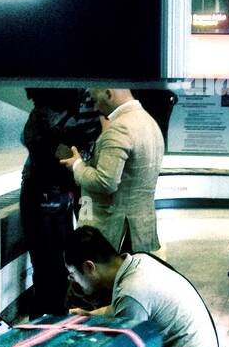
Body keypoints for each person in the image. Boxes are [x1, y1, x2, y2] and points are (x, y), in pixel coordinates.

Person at [64, 226, 226, 347]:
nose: (73, 281)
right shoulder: (140, 261)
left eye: (72, 274)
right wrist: (89, 315)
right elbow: (120, 308)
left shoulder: (131, 292)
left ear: (89, 267)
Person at [19, 88, 101, 315]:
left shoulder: (47, 115)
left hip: (54, 193)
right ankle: (49, 324)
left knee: (53, 267)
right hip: (50, 193)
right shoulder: (48, 115)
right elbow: (41, 146)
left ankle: (50, 323)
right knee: (52, 268)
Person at [60, 88, 165, 253]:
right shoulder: (149, 122)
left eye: (95, 100)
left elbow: (105, 182)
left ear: (108, 94)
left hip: (113, 232)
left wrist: (77, 165)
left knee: (110, 279)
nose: (95, 107)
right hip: (140, 229)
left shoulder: (119, 128)